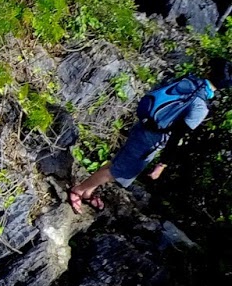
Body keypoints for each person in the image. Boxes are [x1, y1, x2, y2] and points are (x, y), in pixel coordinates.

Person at [69, 60, 231, 212]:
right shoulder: (200, 107)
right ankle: (79, 190)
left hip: (145, 124)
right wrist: (162, 164)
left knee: (117, 162)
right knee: (118, 171)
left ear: (210, 72)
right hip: (153, 138)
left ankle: (87, 191)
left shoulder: (190, 81)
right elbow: (177, 135)